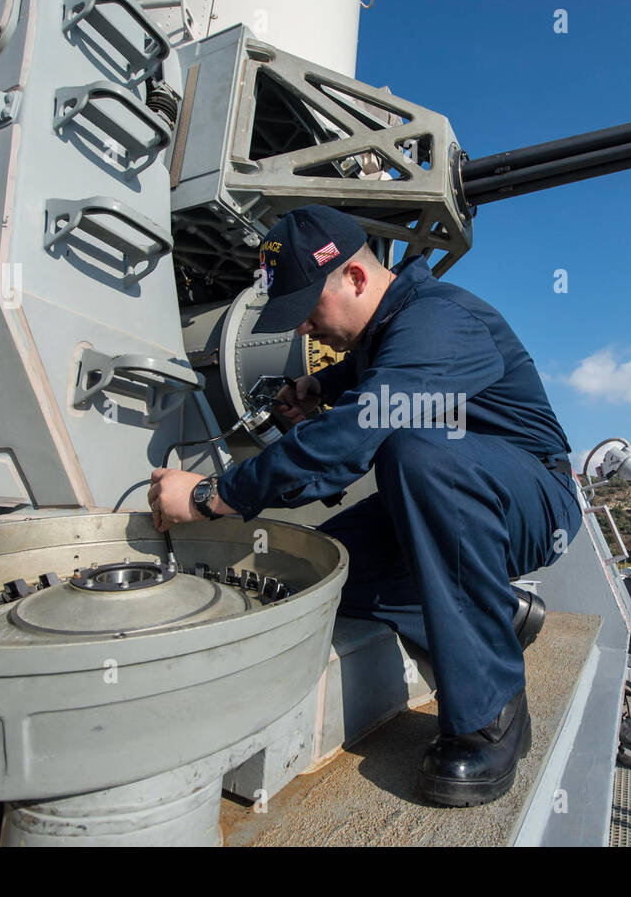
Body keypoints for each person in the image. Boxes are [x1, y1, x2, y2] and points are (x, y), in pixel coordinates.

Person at [149, 205, 582, 806]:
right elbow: (365, 370)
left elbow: (356, 436)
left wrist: (211, 496)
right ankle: (499, 614)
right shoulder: (393, 325)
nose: (302, 329)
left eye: (306, 309)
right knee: (321, 575)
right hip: (455, 501)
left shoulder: (441, 321)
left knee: (416, 451)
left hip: (532, 499)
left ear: (354, 278)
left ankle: (491, 717)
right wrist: (320, 387)